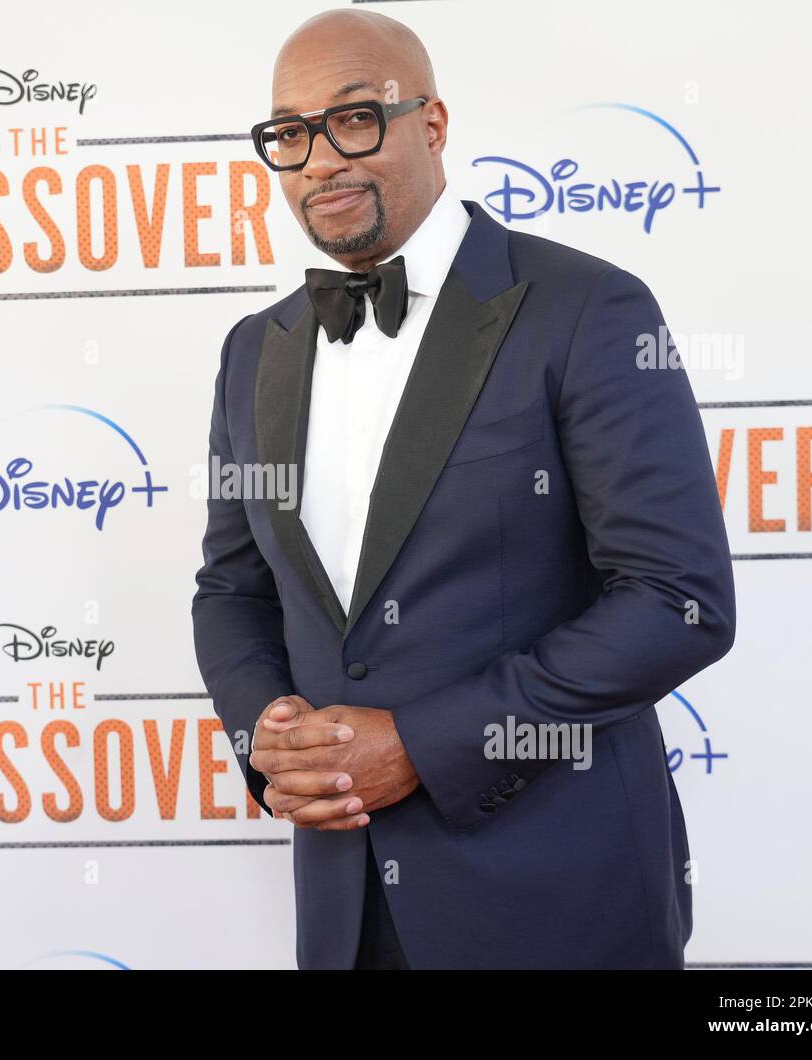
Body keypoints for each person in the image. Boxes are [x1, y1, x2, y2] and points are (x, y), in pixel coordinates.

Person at [191, 7, 735, 969]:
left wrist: (422, 744)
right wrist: (267, 731)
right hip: (343, 903)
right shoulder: (254, 352)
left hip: (558, 896)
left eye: (353, 119)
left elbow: (675, 602)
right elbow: (233, 589)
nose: (319, 160)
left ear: (432, 124)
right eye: (288, 134)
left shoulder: (589, 310)